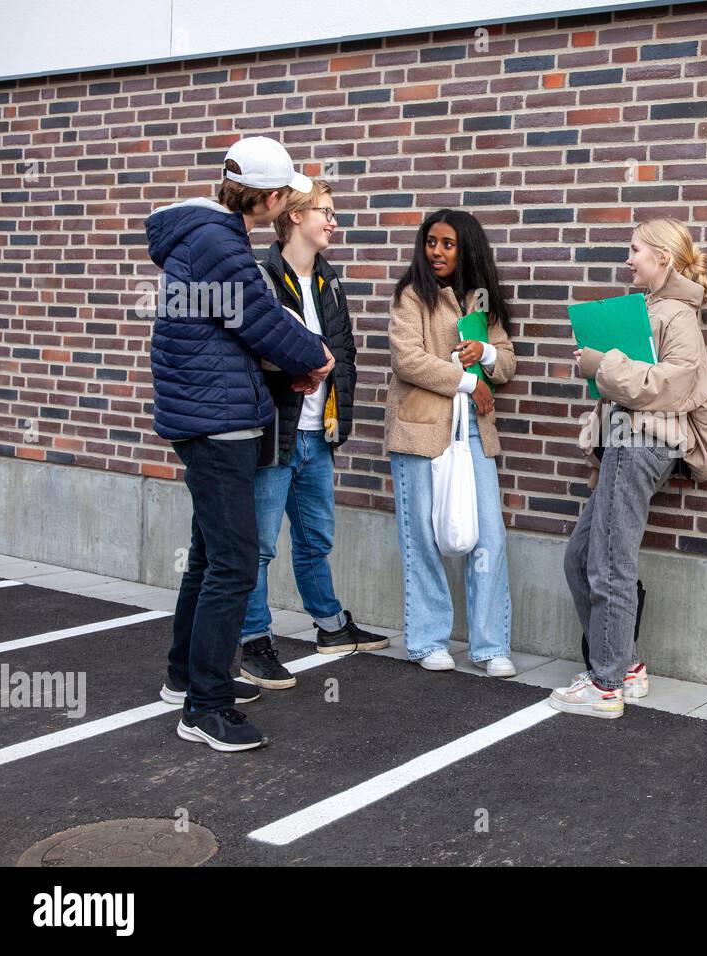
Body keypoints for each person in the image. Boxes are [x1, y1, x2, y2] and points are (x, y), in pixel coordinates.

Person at [146, 135, 335, 752]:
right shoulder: (219, 244)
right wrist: (314, 359)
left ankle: (186, 678)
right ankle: (205, 707)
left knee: (208, 556)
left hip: (207, 416)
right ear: (273, 197)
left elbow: (244, 327)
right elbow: (260, 320)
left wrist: (292, 363)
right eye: (288, 198)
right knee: (231, 562)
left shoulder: (205, 235)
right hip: (216, 422)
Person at [551, 218, 707, 719]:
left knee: (609, 560)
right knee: (581, 558)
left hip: (643, 440)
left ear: (662, 258)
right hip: (624, 440)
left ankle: (605, 686)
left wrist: (602, 366)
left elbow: (674, 385)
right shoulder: (647, 308)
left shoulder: (678, 315)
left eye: (635, 250)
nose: (627, 259)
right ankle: (623, 667)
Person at [236, 179, 389, 689]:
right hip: (276, 430)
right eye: (326, 211)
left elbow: (343, 355)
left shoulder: (329, 281)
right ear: (295, 216)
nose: (334, 221)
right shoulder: (261, 276)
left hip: (317, 434)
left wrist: (338, 418)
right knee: (259, 547)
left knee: (315, 539)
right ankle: (254, 640)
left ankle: (329, 625)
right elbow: (253, 352)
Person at [385, 209, 518, 676]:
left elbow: (506, 366)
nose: (436, 252)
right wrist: (466, 379)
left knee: (489, 538)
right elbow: (408, 361)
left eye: (448, 244)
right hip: (420, 432)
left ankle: (490, 645)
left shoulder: (480, 298)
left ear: (467, 249)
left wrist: (487, 353)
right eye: (431, 242)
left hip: (475, 435)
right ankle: (426, 640)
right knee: (420, 536)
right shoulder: (412, 295)